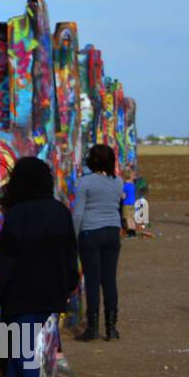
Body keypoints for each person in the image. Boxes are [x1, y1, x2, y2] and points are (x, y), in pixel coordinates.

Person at [0, 157, 79, 377]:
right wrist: (69, 286)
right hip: (50, 293)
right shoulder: (60, 211)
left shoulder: (17, 214)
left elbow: (5, 262)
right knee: (21, 347)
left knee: (20, 351)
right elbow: (69, 253)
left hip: (20, 293)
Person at [73, 144, 125, 341]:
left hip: (90, 233)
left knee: (93, 282)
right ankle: (111, 328)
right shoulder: (118, 182)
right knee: (109, 280)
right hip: (112, 232)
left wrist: (73, 236)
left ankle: (92, 329)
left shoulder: (84, 183)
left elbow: (78, 214)